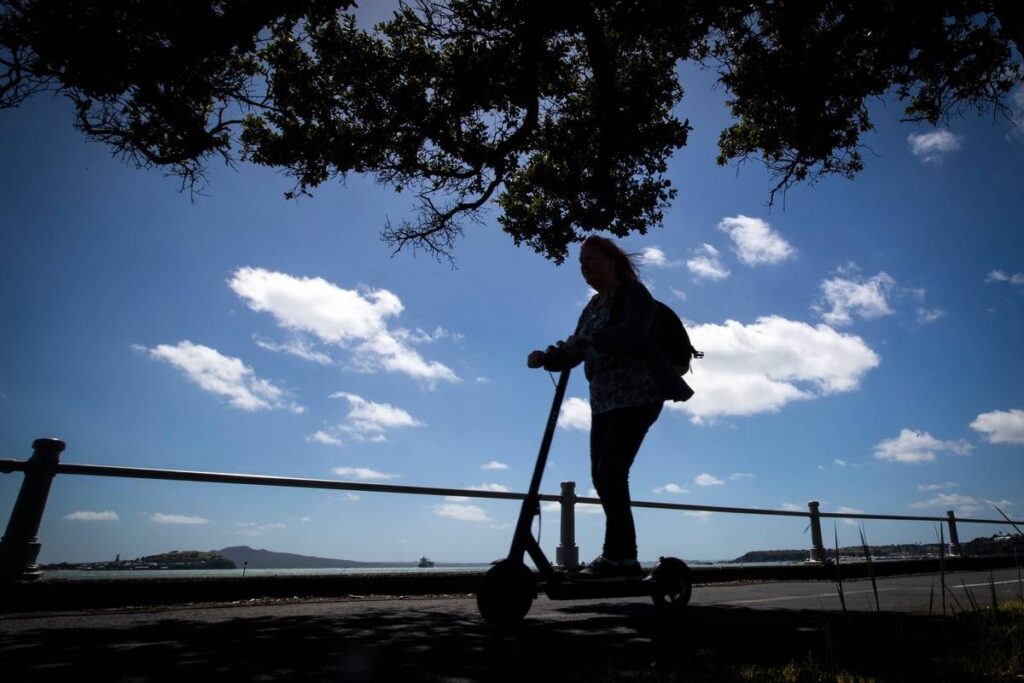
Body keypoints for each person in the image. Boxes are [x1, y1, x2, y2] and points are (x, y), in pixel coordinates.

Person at [527, 236, 693, 580]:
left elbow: (631, 334)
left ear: (613, 260)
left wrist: (594, 340)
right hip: (603, 402)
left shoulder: (634, 295)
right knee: (602, 476)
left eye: (591, 259)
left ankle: (620, 558)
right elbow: (577, 348)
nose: (585, 267)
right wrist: (551, 357)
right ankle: (621, 557)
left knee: (611, 472)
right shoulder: (592, 306)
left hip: (638, 395)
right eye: (581, 262)